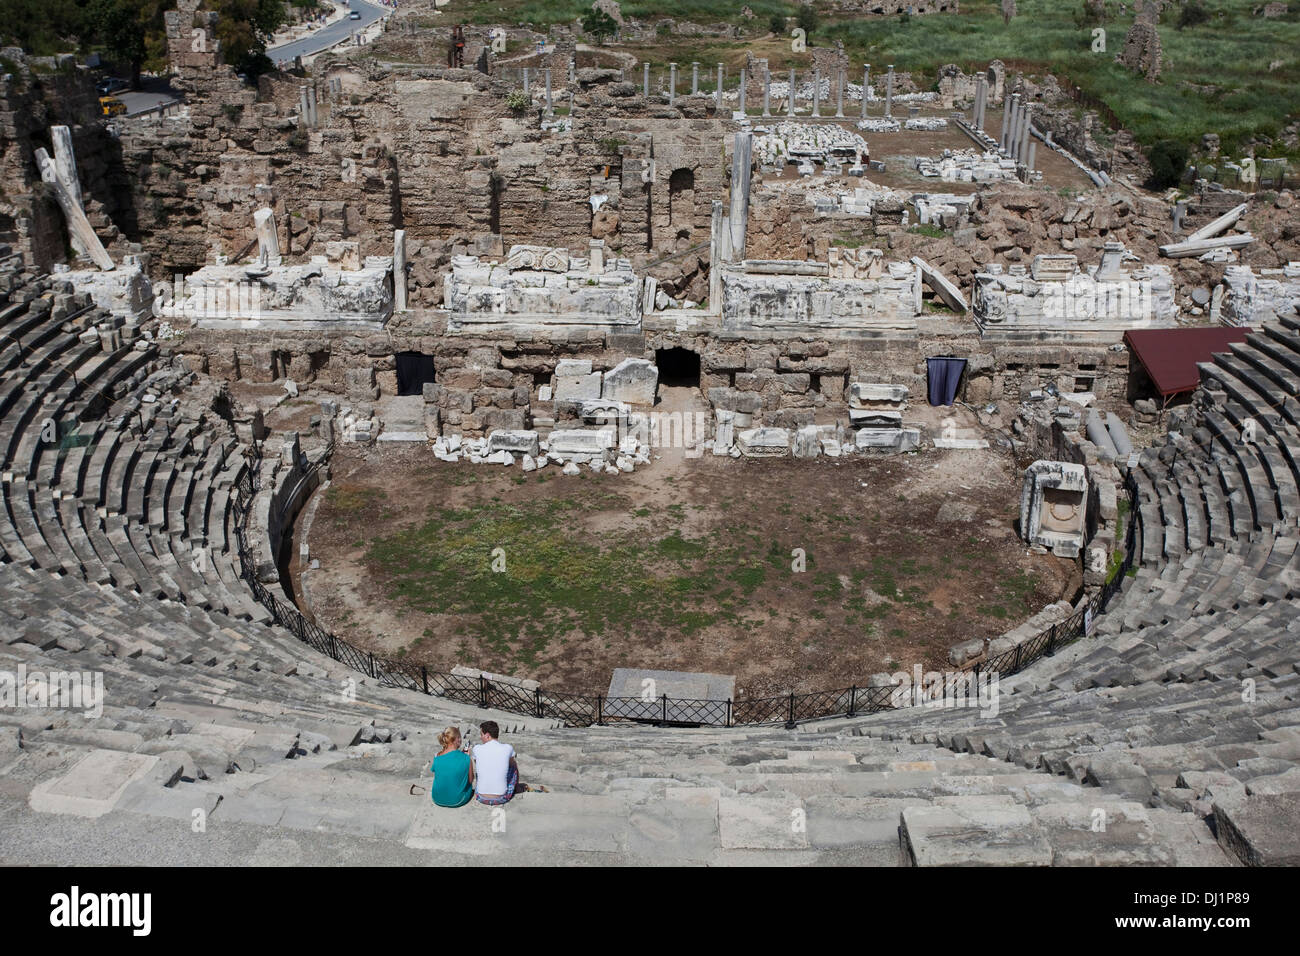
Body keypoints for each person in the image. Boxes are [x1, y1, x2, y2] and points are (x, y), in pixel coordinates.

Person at [471, 720, 519, 805]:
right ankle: (514, 787)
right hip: (502, 798)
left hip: (481, 797)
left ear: (487, 735)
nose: (480, 737)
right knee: (513, 766)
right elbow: (512, 765)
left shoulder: (477, 748)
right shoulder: (508, 748)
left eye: (481, 734)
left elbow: (477, 763)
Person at [430, 726, 474, 808]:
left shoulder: (437, 757)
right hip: (457, 801)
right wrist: (467, 758)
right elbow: (471, 780)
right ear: (457, 739)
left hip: (436, 799)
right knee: (468, 786)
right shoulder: (466, 758)